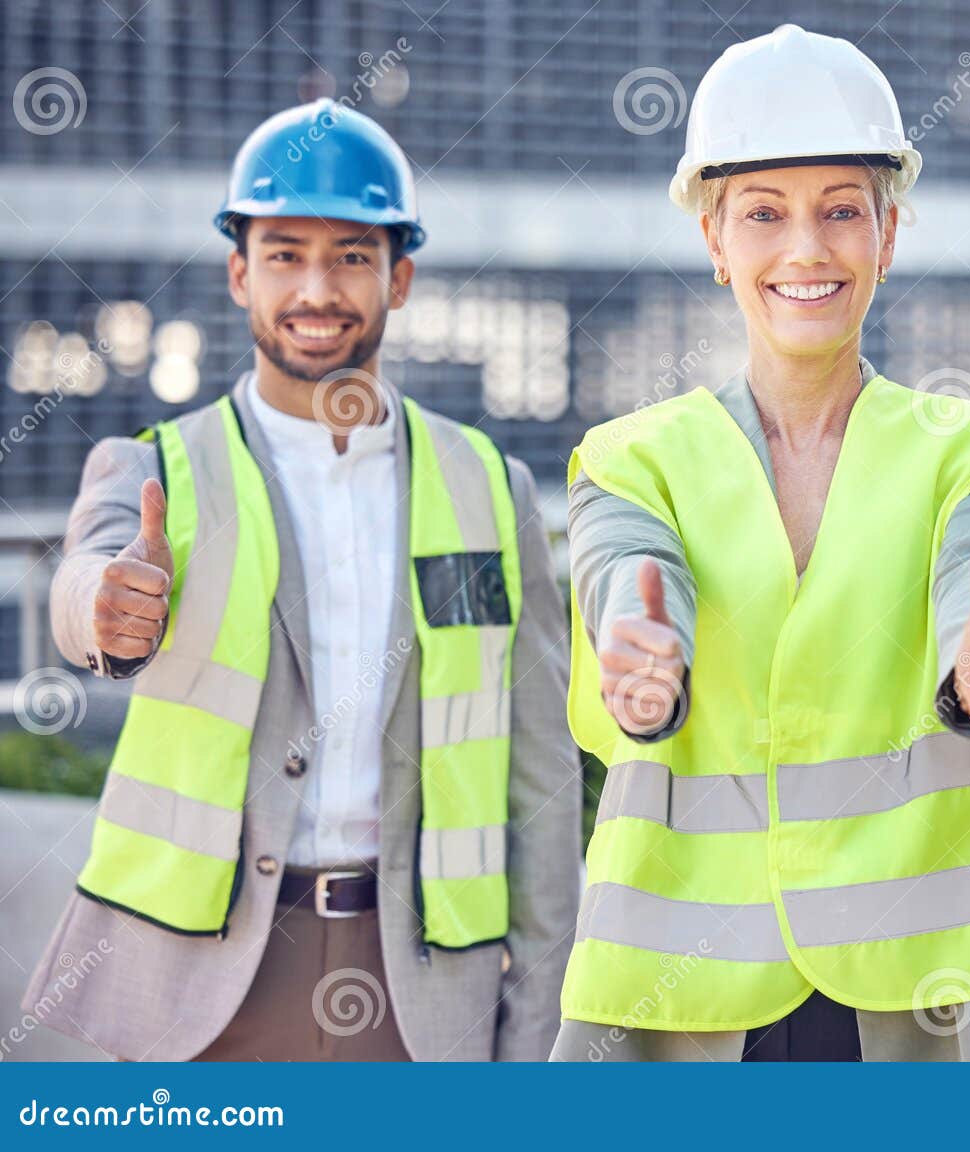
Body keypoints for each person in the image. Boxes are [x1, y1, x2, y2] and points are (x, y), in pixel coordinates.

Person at [20, 99, 581, 1061]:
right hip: (208, 985)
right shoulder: (155, 468)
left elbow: (543, 778)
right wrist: (106, 610)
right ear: (240, 272)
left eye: (351, 256)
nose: (316, 288)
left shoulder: (492, 489)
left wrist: (535, 1029)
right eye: (284, 253)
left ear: (399, 277)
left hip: (424, 986)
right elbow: (88, 585)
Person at [550, 25, 970, 1062]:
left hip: (925, 1002)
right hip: (681, 1001)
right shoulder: (628, 459)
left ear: (888, 233)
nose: (807, 250)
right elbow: (624, 589)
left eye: (841, 212)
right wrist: (645, 675)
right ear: (715, 243)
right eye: (764, 215)